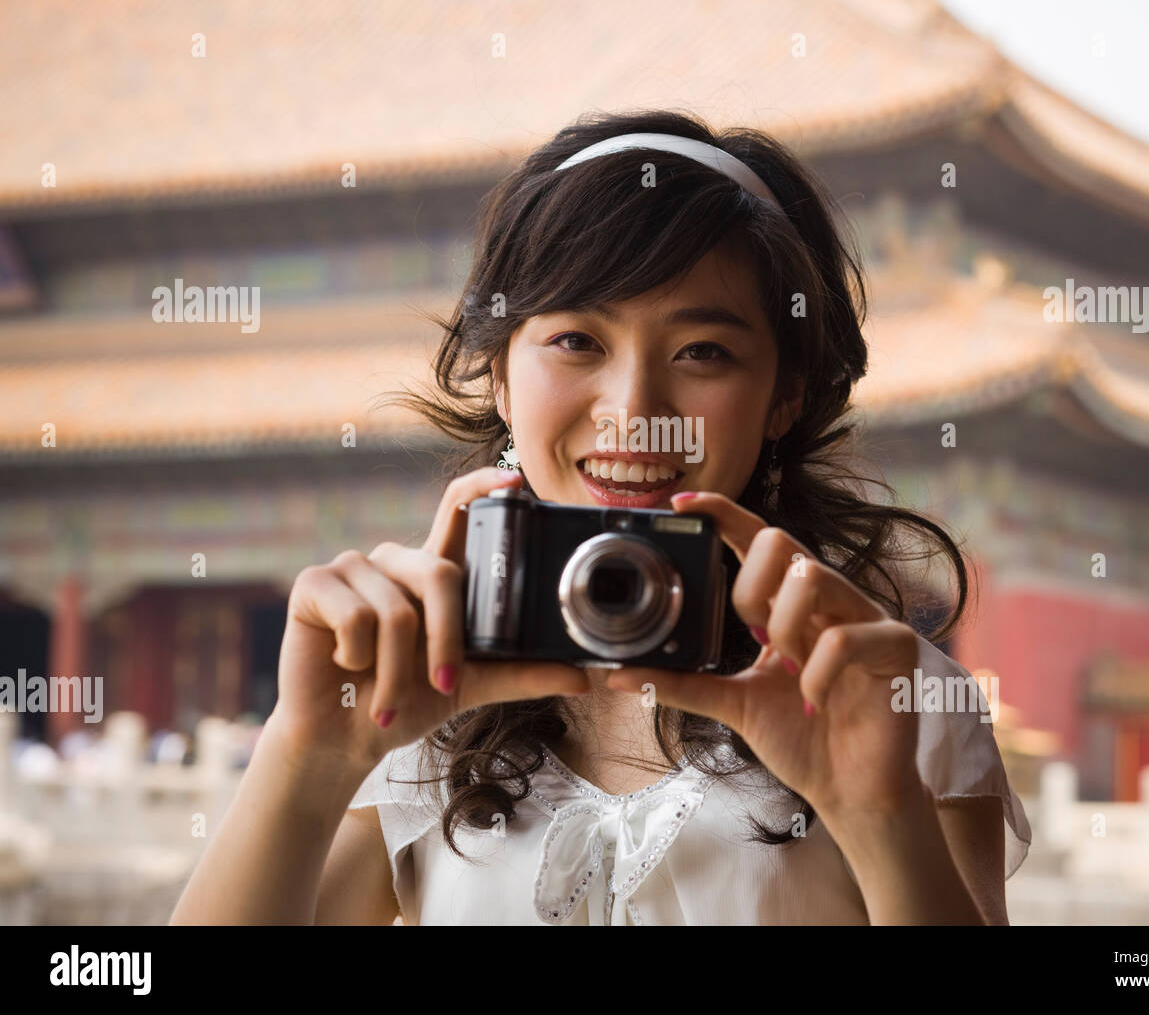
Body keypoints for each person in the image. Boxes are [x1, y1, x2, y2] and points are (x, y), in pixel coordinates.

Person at [170, 110, 1031, 927]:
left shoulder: (885, 697)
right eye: (578, 341)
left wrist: (877, 811)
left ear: (784, 397)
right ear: (501, 380)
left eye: (703, 352)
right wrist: (307, 755)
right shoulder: (413, 690)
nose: (634, 412)